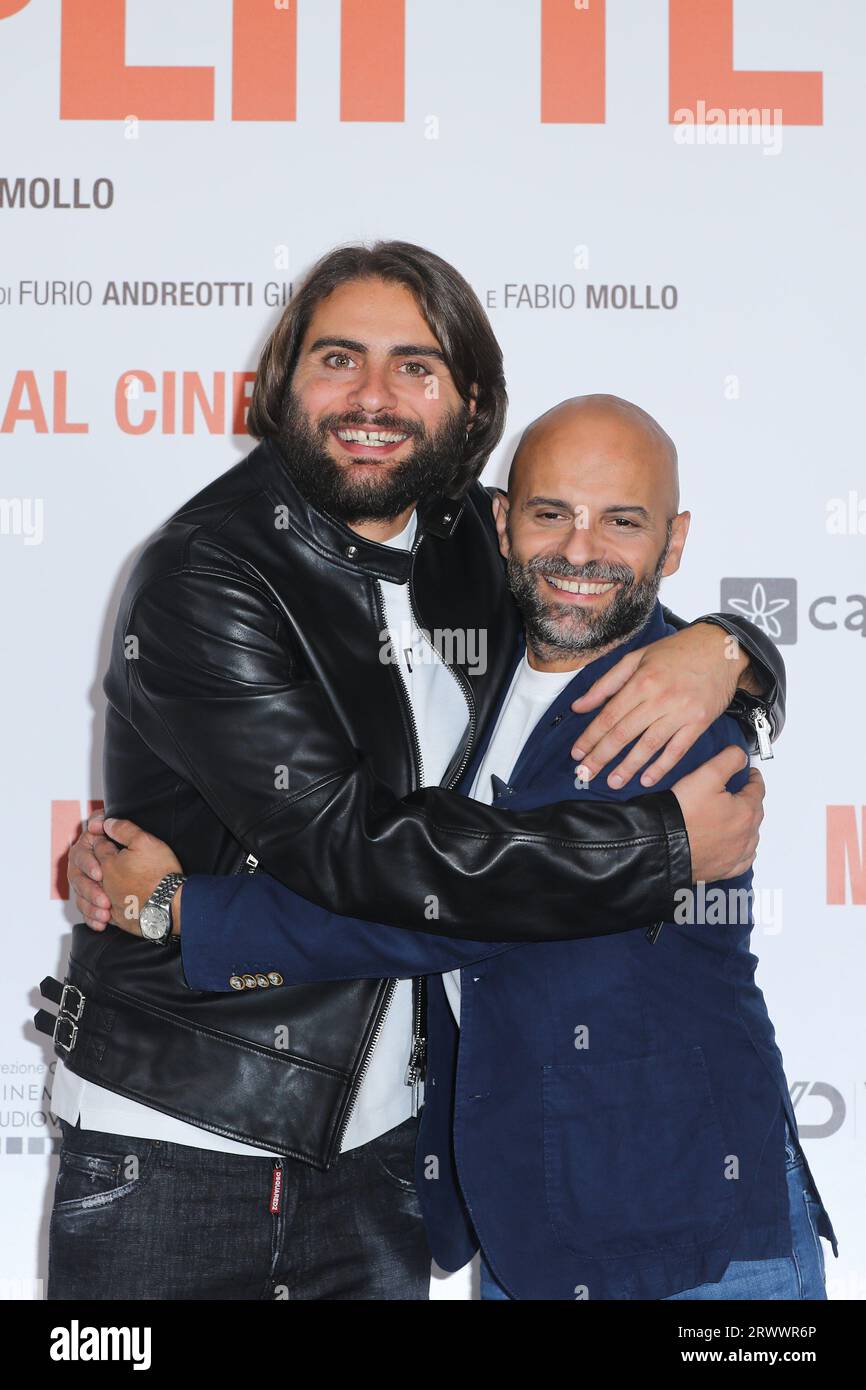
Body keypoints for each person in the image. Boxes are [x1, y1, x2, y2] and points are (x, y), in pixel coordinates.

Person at [47, 246, 779, 1301]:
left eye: (415, 368)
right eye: (338, 359)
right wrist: (657, 846)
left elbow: (613, 586)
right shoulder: (206, 575)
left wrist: (732, 650)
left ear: (468, 400)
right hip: (186, 1136)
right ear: (280, 380)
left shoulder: (471, 537)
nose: (373, 399)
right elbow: (358, 855)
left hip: (386, 1142)